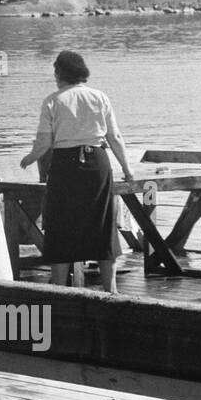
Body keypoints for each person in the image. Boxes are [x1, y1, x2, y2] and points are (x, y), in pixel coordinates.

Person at [20, 50, 133, 293]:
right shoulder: (99, 97)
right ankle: (110, 289)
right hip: (97, 162)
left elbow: (43, 142)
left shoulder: (53, 100)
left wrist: (30, 158)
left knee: (60, 224)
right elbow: (115, 137)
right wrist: (127, 167)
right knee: (102, 223)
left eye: (55, 71)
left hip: (65, 164)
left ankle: (60, 288)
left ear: (60, 72)